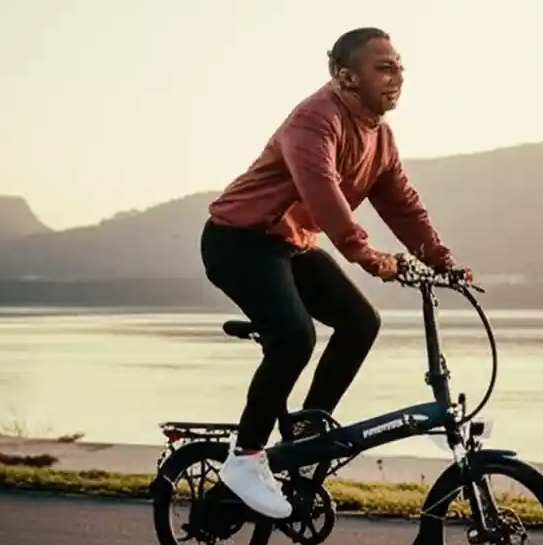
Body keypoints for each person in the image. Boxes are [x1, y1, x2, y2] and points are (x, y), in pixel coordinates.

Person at [200, 27, 470, 519]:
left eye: (399, 67)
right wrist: (367, 256)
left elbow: (402, 205)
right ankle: (244, 459)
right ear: (346, 76)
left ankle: (307, 432)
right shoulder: (313, 120)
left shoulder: (379, 138)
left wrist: (440, 258)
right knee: (294, 337)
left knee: (360, 321)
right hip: (238, 242)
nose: (397, 78)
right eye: (384, 68)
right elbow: (324, 194)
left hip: (288, 246)